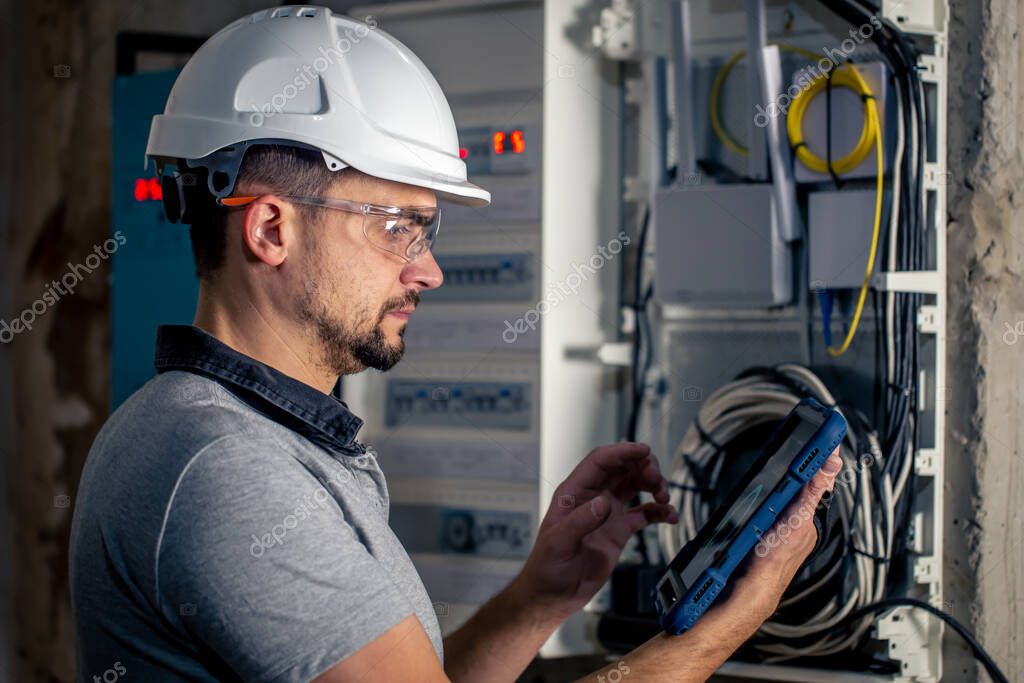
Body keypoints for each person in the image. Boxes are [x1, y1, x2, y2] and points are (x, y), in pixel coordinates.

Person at [69, 7, 843, 682]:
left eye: (426, 229)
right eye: (396, 226)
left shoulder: (242, 434)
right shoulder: (228, 470)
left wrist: (538, 597)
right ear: (273, 228)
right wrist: (726, 627)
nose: (428, 268)